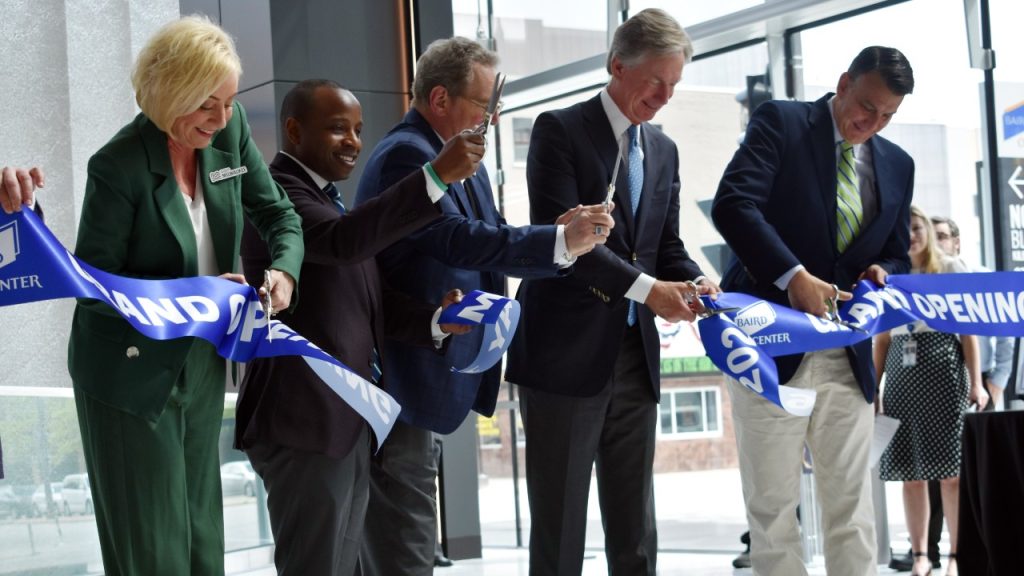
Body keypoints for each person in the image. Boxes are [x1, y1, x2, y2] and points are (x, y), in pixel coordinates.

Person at [354, 36, 615, 576]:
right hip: (402, 376)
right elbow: (457, 239)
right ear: (442, 100)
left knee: (409, 537)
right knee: (405, 545)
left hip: (430, 374)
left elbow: (488, 236)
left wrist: (558, 233)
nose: (492, 120)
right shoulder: (410, 154)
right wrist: (559, 244)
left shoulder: (449, 156)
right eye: (484, 105)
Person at [66, 16, 304, 575]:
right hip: (126, 374)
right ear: (169, 92)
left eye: (228, 102)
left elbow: (278, 215)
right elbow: (95, 290)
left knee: (202, 543)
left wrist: (284, 273)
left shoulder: (230, 129)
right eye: (206, 105)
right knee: (153, 550)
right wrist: (197, 292)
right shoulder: (116, 165)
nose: (221, 120)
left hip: (198, 363)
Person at [234, 79, 483, 575]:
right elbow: (343, 242)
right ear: (293, 130)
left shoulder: (328, 200)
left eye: (358, 129)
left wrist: (436, 320)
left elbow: (373, 301)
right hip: (304, 423)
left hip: (345, 423)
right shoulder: (279, 195)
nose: (353, 142)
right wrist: (433, 177)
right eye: (337, 129)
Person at [506, 9, 717, 575]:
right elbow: (568, 246)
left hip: (634, 358)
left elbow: (663, 244)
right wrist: (650, 292)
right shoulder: (559, 130)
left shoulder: (665, 149)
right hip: (563, 357)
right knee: (561, 531)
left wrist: (695, 278)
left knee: (636, 531)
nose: (666, 96)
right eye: (656, 82)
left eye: (674, 85)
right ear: (617, 66)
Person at [711, 46, 917, 576]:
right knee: (774, 509)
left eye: (887, 115)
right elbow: (734, 203)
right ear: (844, 82)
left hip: (847, 353)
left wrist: (884, 273)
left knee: (852, 506)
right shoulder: (781, 122)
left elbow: (894, 250)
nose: (871, 123)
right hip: (771, 346)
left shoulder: (897, 163)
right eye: (867, 106)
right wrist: (792, 275)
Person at [876, 206, 988, 576]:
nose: (912, 235)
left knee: (952, 472)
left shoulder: (951, 268)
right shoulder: (889, 274)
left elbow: (968, 333)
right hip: (902, 374)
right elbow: (882, 338)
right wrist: (874, 387)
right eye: (904, 229)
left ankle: (956, 555)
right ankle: (922, 554)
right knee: (911, 472)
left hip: (944, 370)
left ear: (926, 228)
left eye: (916, 227)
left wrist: (976, 383)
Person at [931, 215, 1013, 410]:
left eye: (941, 236)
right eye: (931, 238)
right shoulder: (923, 283)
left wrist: (997, 381)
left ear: (956, 242)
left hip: (982, 380)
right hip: (939, 380)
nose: (935, 244)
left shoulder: (983, 278)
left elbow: (1006, 334)